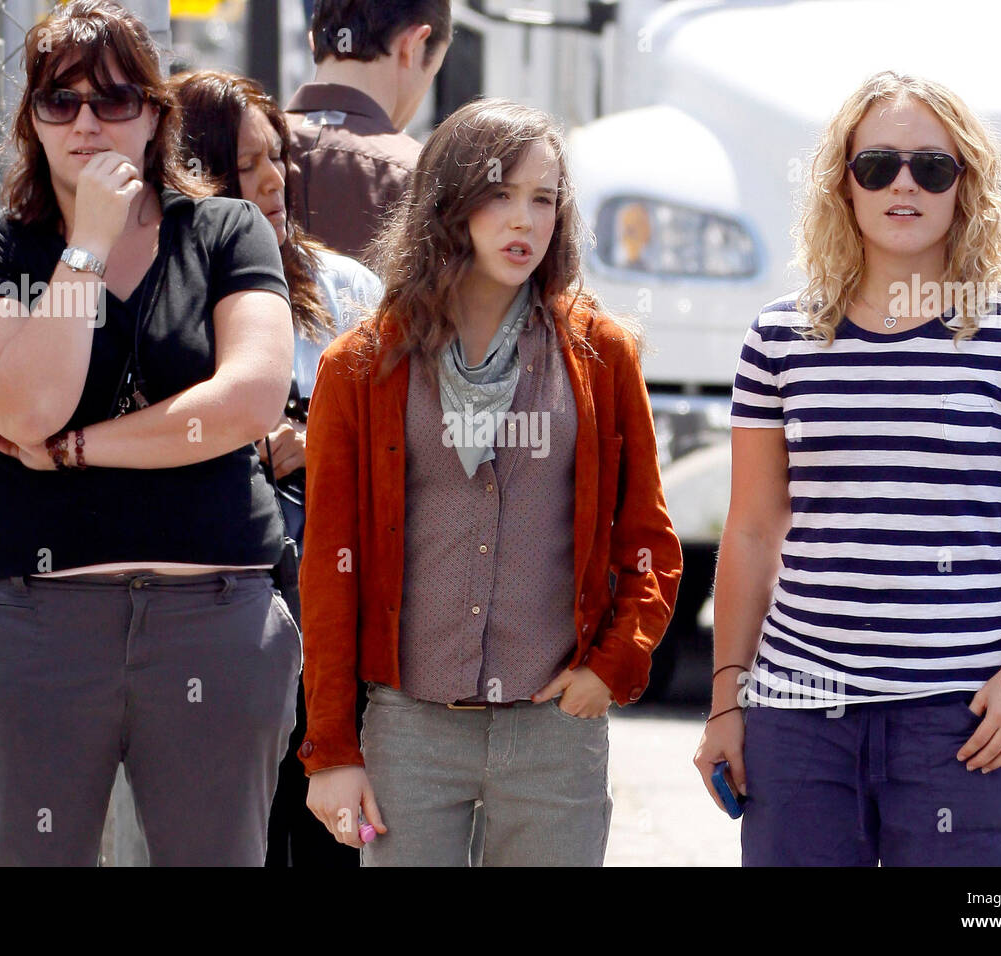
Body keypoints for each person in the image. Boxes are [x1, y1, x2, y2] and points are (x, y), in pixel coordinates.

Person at [693, 71, 1001, 866]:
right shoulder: (779, 338)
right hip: (798, 721)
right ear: (843, 183)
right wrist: (726, 703)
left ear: (965, 184)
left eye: (931, 167)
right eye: (877, 164)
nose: (903, 183)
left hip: (963, 721)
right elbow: (748, 531)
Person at [0, 0, 300, 866]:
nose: (88, 122)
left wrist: (75, 451)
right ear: (32, 118)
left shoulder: (223, 232)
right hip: (34, 624)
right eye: (60, 101)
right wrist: (86, 249)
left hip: (212, 620)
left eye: (114, 100)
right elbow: (28, 408)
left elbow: (249, 401)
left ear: (156, 115)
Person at [298, 98, 682, 866]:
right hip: (410, 732)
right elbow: (328, 568)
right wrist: (332, 750)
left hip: (554, 735)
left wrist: (609, 670)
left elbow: (650, 546)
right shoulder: (361, 366)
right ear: (450, 202)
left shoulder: (601, 354)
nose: (525, 220)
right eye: (501, 194)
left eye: (544, 199)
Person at [170, 67, 382, 868]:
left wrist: (314, 442)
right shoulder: (166, 290)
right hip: (212, 603)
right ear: (192, 176)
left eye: (276, 158)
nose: (270, 182)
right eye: (242, 165)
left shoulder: (344, 287)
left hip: (330, 597)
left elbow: (403, 438)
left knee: (329, 831)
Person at [284, 0, 451, 261]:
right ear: (413, 45)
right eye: (433, 71)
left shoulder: (233, 148)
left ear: (313, 41)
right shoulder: (426, 180)